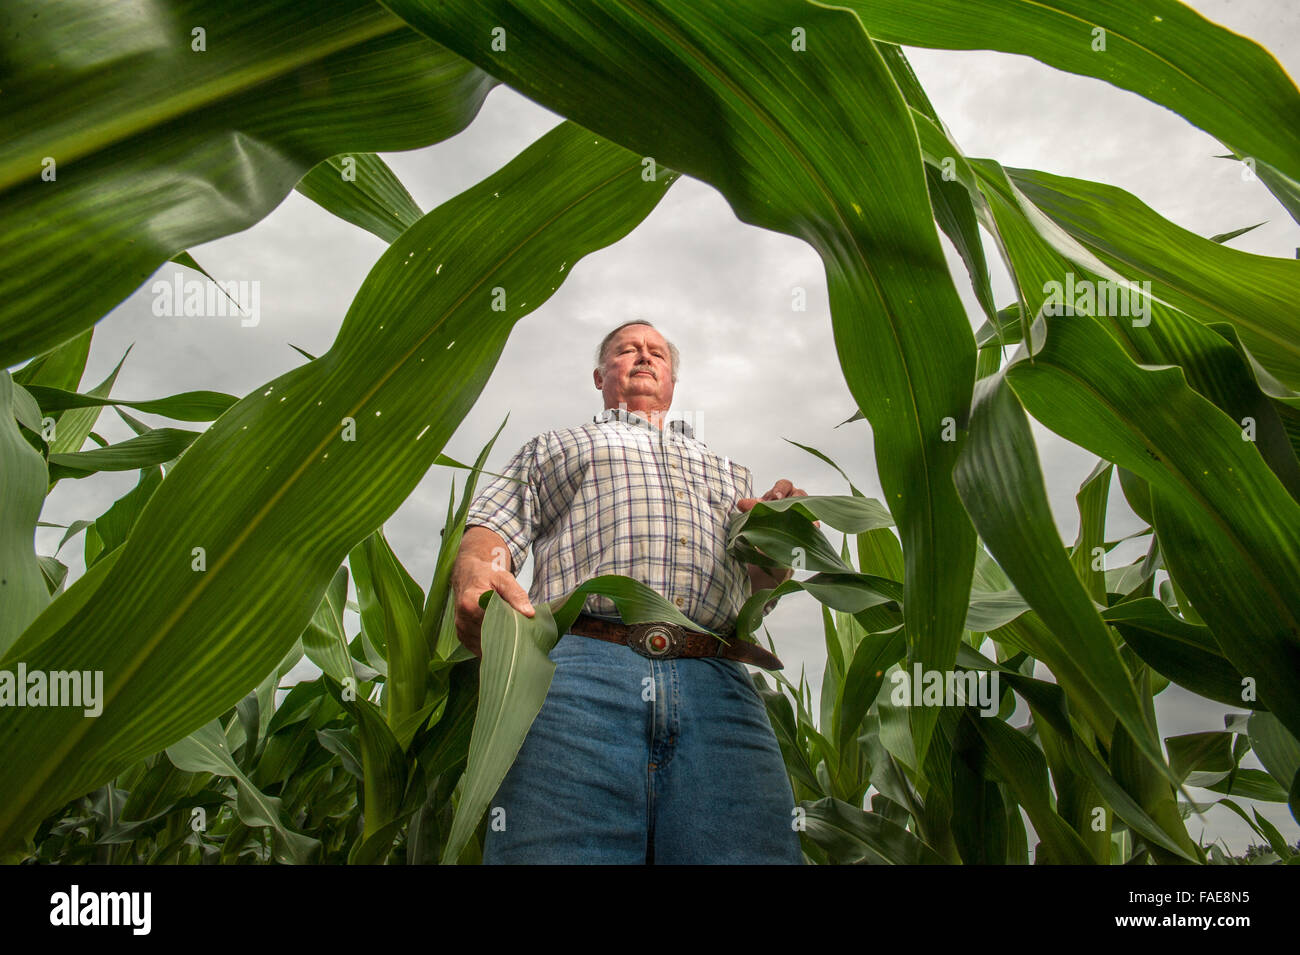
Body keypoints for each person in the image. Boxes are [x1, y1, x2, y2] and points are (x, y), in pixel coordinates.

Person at [451, 320, 809, 864]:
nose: (644, 356)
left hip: (716, 677)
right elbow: (494, 526)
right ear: (600, 375)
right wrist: (478, 571)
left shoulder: (729, 473)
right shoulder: (558, 445)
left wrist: (781, 543)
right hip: (578, 673)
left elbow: (761, 584)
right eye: (627, 350)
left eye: (656, 353)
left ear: (671, 381)